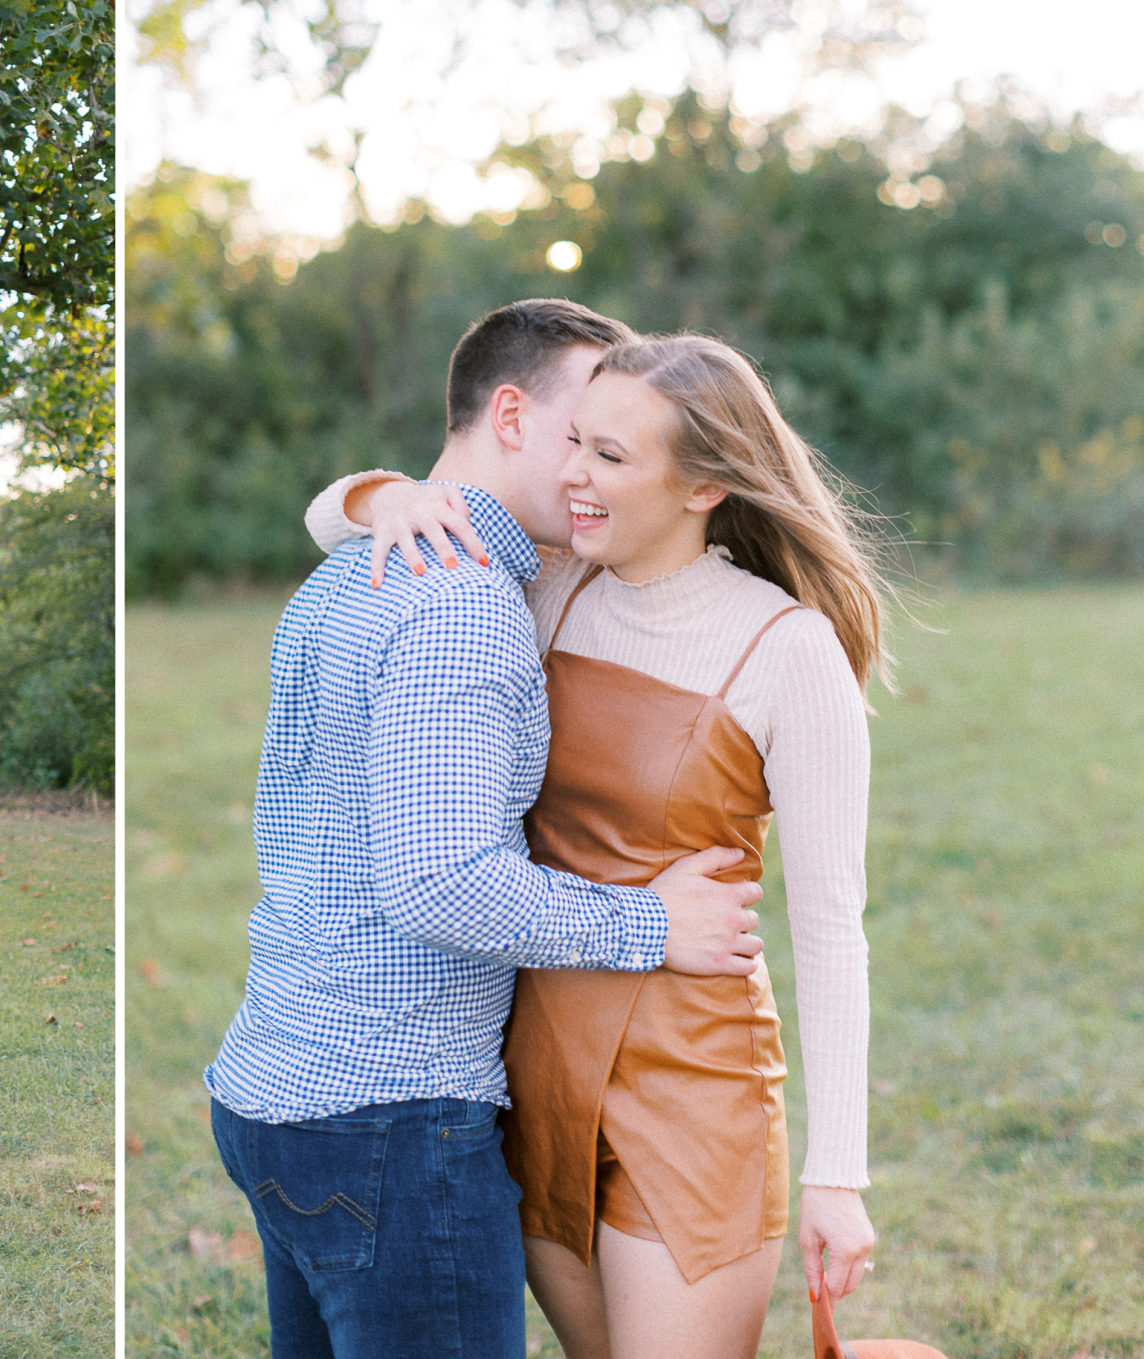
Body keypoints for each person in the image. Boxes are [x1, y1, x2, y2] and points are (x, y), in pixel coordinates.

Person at [203, 298, 769, 1359]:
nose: (597, 473)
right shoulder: (461, 604)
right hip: (392, 1117)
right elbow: (440, 884)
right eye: (583, 439)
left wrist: (374, 495)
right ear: (508, 414)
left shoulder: (352, 569)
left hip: (276, 1085)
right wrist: (649, 925)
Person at [305, 328, 887, 1358]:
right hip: (535, 1067)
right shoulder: (547, 585)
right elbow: (323, 520)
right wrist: (379, 499)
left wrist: (834, 1176)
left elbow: (831, 929)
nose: (570, 474)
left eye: (609, 457)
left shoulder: (786, 649)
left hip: (691, 1081)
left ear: (704, 484)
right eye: (574, 441)